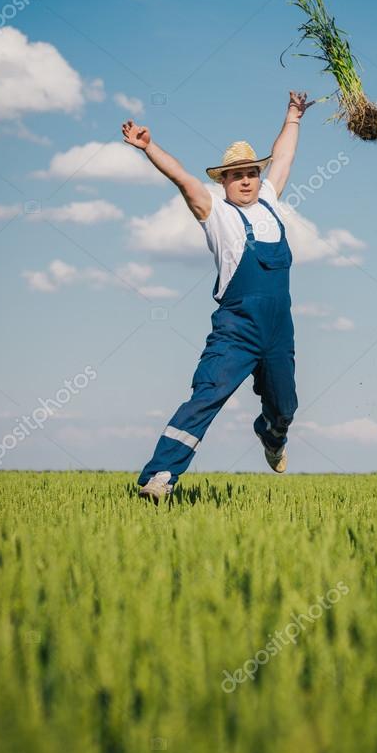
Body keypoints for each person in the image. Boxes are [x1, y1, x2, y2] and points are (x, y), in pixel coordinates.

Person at [122, 90, 314, 502]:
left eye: (251, 173)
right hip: (237, 329)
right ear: (222, 181)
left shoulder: (270, 202)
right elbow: (182, 178)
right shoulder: (214, 212)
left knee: (285, 407)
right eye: (235, 174)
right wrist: (148, 147)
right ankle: (160, 477)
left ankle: (271, 433)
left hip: (279, 330)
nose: (246, 180)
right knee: (207, 394)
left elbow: (282, 158)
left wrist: (293, 116)